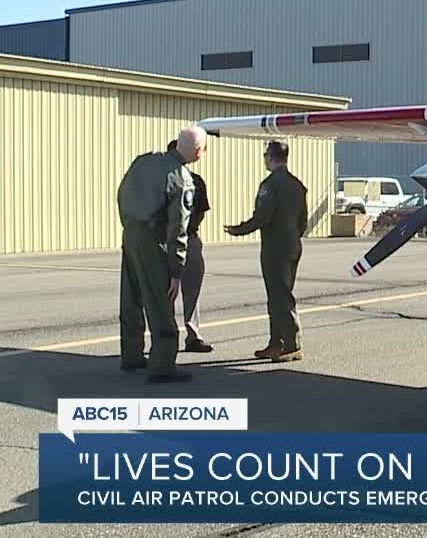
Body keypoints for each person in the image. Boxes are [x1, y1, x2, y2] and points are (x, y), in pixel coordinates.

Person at [116, 125, 207, 383]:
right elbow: (178, 228)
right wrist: (176, 271)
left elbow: (122, 194)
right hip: (154, 240)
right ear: (198, 151)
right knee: (159, 301)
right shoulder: (182, 179)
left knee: (131, 297)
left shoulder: (143, 162)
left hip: (131, 233)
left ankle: (131, 355)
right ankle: (162, 364)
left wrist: (130, 225)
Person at [225, 140, 308, 362]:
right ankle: (276, 343)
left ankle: (292, 344)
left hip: (275, 247)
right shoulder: (297, 184)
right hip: (292, 244)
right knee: (279, 295)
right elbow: (303, 222)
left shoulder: (270, 185)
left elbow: (263, 217)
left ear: (269, 157)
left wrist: (239, 229)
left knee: (279, 296)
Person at [167, 140, 214, 354]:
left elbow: (202, 209)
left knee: (192, 287)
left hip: (190, 238)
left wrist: (190, 228)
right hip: (166, 241)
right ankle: (166, 336)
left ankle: (193, 334)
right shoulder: (163, 180)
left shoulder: (195, 181)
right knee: (166, 289)